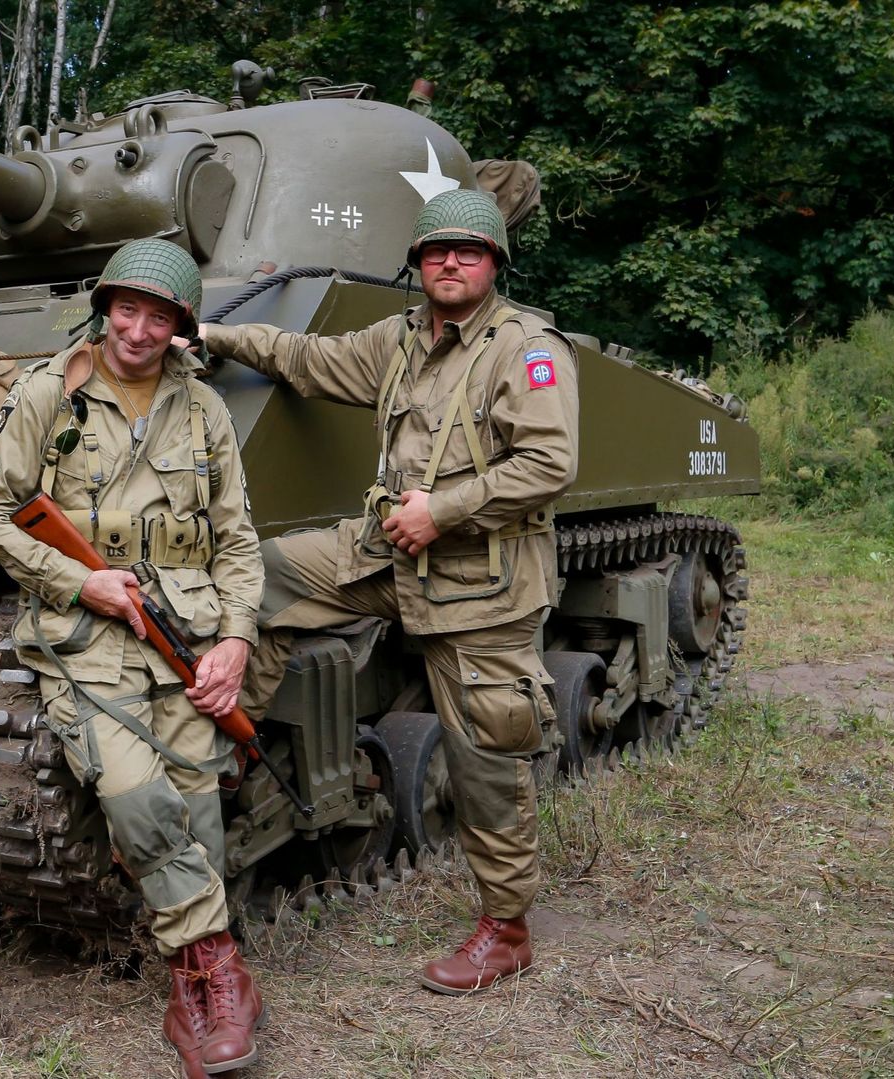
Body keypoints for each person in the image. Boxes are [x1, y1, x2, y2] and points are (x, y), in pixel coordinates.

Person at [200, 188, 580, 994]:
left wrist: (441, 512)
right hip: (388, 551)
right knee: (262, 576)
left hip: (483, 580)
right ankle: (233, 750)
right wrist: (211, 334)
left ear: (493, 264)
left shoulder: (525, 348)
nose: (450, 261)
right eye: (436, 251)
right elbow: (305, 359)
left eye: (467, 252)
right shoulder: (400, 340)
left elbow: (550, 463)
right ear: (416, 264)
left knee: (485, 757)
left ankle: (506, 930)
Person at [0, 237, 267, 1074]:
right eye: (126, 309)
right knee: (134, 796)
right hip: (88, 631)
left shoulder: (202, 409)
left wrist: (236, 637)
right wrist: (78, 583)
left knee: (199, 800)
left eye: (158, 315)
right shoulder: (47, 395)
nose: (138, 329)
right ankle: (218, 965)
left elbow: (237, 536)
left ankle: (191, 985)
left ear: (179, 326)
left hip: (189, 631)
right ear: (105, 309)